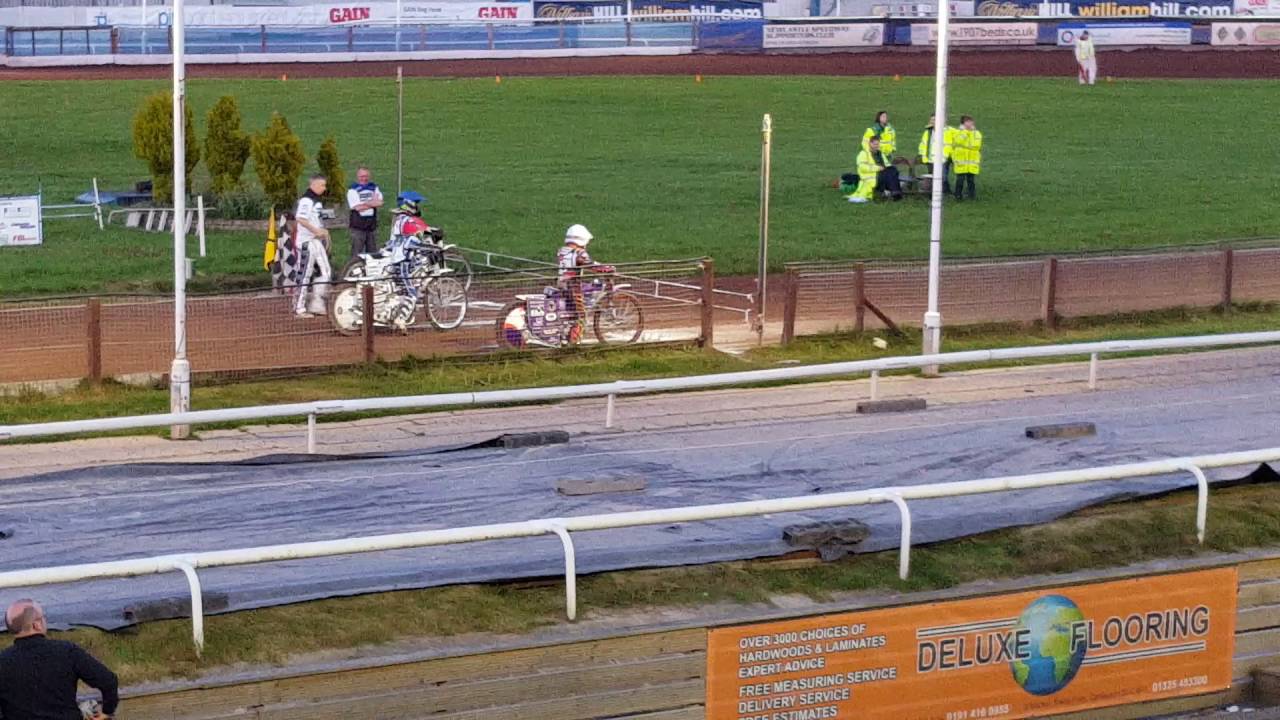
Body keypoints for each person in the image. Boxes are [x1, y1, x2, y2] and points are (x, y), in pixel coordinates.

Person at [0, 599, 119, 720]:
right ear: (37, 624)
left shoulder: (2, 661)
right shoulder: (67, 651)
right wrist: (107, 712)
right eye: (43, 617)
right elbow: (109, 681)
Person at [557, 223, 606, 344]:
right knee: (581, 315)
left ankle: (567, 334)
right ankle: (575, 342)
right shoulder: (580, 253)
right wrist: (605, 268)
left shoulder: (562, 251)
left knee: (571, 311)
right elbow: (590, 264)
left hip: (562, 283)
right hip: (573, 287)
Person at [293, 174, 333, 318]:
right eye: (322, 185)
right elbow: (300, 219)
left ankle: (317, 303)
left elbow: (315, 219)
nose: (324, 188)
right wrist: (316, 231)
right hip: (306, 243)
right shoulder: (306, 200)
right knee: (304, 274)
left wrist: (322, 231)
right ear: (314, 185)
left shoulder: (316, 201)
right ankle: (299, 307)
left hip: (315, 241)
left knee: (326, 271)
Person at [847, 135, 903, 204]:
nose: (877, 146)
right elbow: (862, 167)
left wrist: (887, 167)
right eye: (875, 144)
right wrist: (877, 168)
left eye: (878, 144)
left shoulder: (880, 153)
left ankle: (895, 192)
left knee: (893, 169)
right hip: (871, 177)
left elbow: (887, 164)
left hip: (882, 174)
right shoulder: (863, 154)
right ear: (870, 143)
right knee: (890, 173)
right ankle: (896, 192)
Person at [346, 167, 383, 259]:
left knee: (373, 252)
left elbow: (380, 202)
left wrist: (365, 204)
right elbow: (357, 208)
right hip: (358, 226)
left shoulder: (374, 187)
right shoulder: (352, 189)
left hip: (371, 226)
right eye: (362, 176)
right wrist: (372, 203)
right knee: (357, 252)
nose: (364, 178)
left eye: (366, 176)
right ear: (357, 176)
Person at [952, 115, 983, 201]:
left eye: (970, 121)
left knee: (971, 180)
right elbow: (957, 141)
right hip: (961, 161)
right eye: (967, 121)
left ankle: (972, 195)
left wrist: (964, 145)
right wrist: (966, 132)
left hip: (972, 161)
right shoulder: (958, 132)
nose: (969, 123)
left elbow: (977, 145)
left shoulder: (977, 133)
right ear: (963, 123)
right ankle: (958, 195)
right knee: (960, 180)